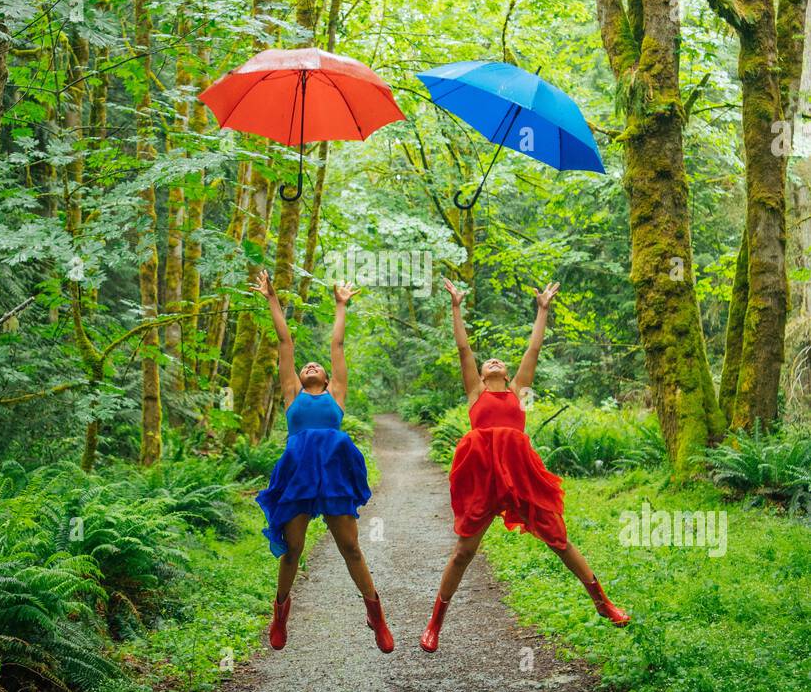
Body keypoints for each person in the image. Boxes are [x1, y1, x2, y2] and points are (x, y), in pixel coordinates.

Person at [420, 277, 630, 652]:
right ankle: (435, 622)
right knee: (463, 552)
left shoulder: (519, 391)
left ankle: (604, 604)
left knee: (559, 540)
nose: (495, 360)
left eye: (500, 360)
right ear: (483, 375)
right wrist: (456, 306)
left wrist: (543, 310)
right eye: (489, 362)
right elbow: (463, 347)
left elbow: (533, 349)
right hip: (483, 475)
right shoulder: (475, 393)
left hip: (519, 474)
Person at [252, 270, 393, 653]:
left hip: (332, 470)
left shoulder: (337, 395)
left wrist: (341, 305)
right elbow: (285, 341)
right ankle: (280, 611)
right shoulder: (291, 394)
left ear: (329, 379)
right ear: (298, 377)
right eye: (306, 366)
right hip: (298, 471)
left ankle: (375, 612)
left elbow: (337, 345)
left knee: (350, 547)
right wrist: (271, 298)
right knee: (293, 547)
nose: (311, 365)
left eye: (318, 366)